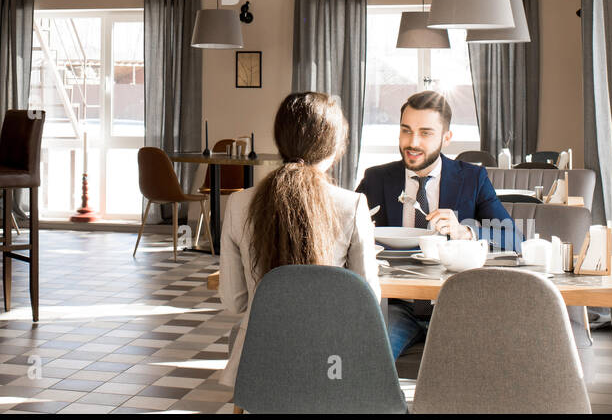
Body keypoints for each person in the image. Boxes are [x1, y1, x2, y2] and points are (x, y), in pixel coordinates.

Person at [219, 92, 380, 388]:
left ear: (280, 140)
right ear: (334, 148)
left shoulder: (238, 204)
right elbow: (368, 298)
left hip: (259, 367)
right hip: (331, 368)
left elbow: (233, 302)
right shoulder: (352, 205)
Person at [357, 90, 519, 359]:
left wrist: (464, 231)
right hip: (395, 305)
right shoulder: (376, 179)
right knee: (371, 356)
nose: (413, 142)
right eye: (406, 130)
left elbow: (513, 238)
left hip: (454, 304)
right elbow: (344, 232)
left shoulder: (473, 178)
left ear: (446, 138)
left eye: (426, 133)